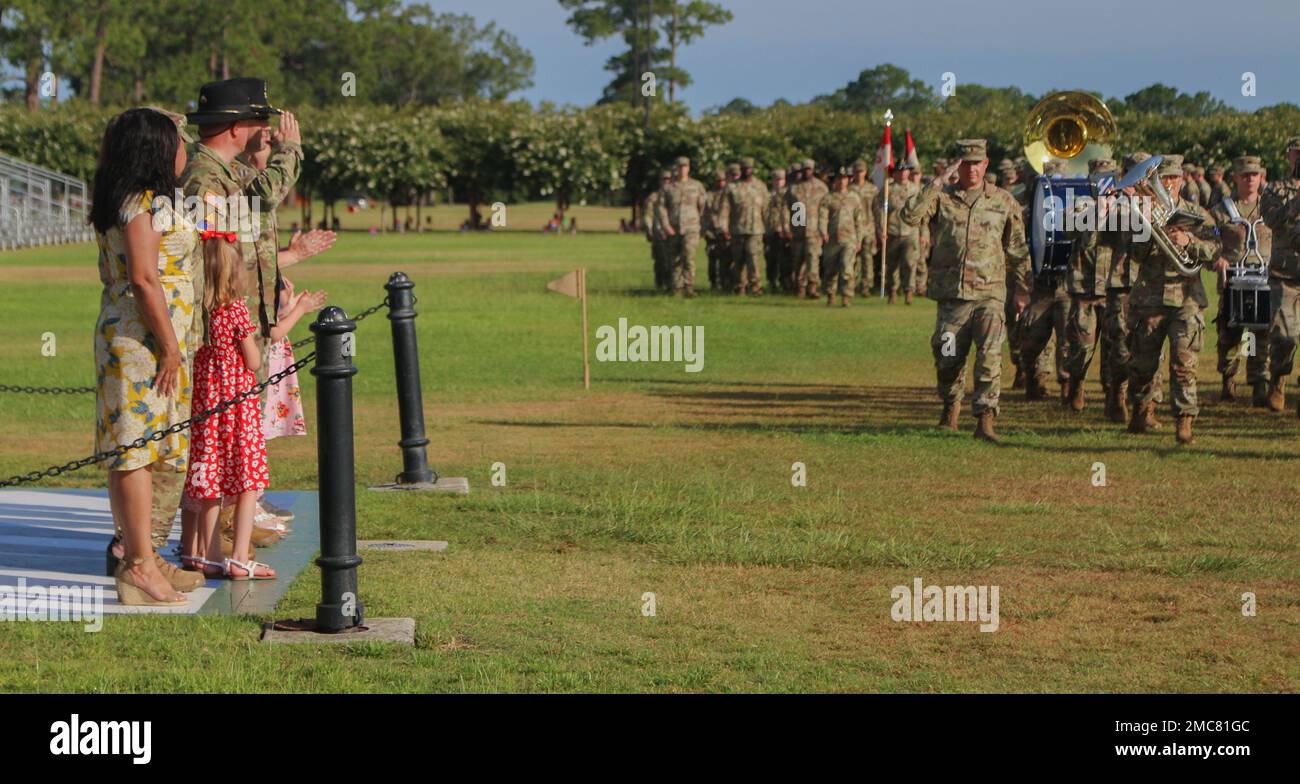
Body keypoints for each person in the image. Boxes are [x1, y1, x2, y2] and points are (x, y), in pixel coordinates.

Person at [177, 78, 299, 560]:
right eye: (258, 120)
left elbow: (255, 222)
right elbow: (259, 205)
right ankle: (210, 543)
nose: (264, 129)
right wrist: (291, 153)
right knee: (219, 440)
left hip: (239, 317)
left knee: (231, 439)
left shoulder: (223, 170)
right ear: (234, 126)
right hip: (222, 333)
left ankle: (223, 533)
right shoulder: (205, 178)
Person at [92, 108, 202, 606]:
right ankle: (138, 565)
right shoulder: (142, 202)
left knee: (144, 451)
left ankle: (145, 554)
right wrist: (172, 347)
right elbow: (143, 277)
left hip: (150, 341)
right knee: (135, 453)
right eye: (178, 140)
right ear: (157, 149)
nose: (186, 149)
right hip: (143, 345)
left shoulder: (144, 198)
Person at [900, 139, 1030, 442]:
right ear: (958, 165)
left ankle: (985, 421)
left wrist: (1023, 289)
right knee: (947, 357)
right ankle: (950, 405)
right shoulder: (942, 198)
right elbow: (910, 216)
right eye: (966, 163)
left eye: (977, 163)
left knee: (989, 355)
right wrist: (938, 182)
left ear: (986, 165)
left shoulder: (1003, 201)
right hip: (952, 296)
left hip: (990, 293)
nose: (972, 169)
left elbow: (1018, 250)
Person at [234, 136, 336, 526]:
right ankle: (241, 511)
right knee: (245, 430)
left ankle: (250, 504)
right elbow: (235, 266)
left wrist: (289, 261)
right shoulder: (237, 189)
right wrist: (294, 257)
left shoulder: (250, 193)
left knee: (252, 430)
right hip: (250, 331)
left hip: (262, 322)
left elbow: (254, 263)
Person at [183, 235, 275, 580]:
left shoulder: (199, 313)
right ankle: (238, 557)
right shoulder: (236, 310)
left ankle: (206, 554)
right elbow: (252, 361)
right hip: (238, 408)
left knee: (210, 482)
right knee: (246, 482)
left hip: (207, 408)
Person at [1124, 154, 1221, 445]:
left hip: (1187, 298)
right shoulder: (1143, 210)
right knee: (1143, 364)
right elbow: (1135, 254)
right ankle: (1141, 410)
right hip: (1150, 299)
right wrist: (1145, 229)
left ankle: (1184, 421)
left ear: (1181, 179)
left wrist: (1189, 242)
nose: (1168, 184)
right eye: (1162, 179)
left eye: (1172, 178)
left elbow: (1216, 249)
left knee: (1184, 363)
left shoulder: (1197, 213)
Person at [1062, 157, 1125, 412]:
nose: (1104, 182)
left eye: (1110, 177)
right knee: (1081, 347)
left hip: (1115, 287)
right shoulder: (1079, 205)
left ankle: (1116, 397)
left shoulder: (1126, 205)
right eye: (1100, 177)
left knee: (1117, 349)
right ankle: (1077, 383)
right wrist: (1098, 212)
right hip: (1085, 288)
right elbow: (1078, 236)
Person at [1209, 155, 1272, 405]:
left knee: (1260, 335)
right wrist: (1217, 257)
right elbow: (1208, 240)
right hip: (1232, 280)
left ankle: (1259, 383)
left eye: (1254, 174)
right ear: (1234, 177)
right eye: (1244, 175)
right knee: (1230, 334)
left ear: (1261, 177)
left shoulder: (1271, 208)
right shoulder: (1221, 210)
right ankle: (1229, 380)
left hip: (1264, 280)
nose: (1249, 179)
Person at [1260, 135, 1300, 413]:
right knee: (1285, 336)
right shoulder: (1276, 188)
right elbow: (1271, 220)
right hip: (1285, 275)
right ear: (1289, 156)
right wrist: (1293, 205)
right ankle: (1278, 379)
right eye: (1297, 153)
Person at [718, 157, 768, 296]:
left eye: (750, 168)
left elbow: (766, 209)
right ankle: (740, 286)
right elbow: (724, 209)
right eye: (745, 169)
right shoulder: (731, 188)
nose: (748, 171)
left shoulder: (760, 186)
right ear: (741, 169)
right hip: (737, 229)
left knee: (753, 257)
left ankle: (755, 286)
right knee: (738, 259)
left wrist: (768, 228)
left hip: (755, 229)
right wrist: (723, 228)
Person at [658, 155, 707, 298]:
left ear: (689, 168)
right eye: (679, 167)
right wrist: (666, 226)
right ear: (676, 168)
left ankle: (689, 286)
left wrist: (701, 225)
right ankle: (676, 287)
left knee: (689, 257)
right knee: (674, 259)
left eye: (685, 166)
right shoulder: (668, 188)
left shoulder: (697, 186)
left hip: (691, 229)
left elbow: (703, 208)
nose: (682, 169)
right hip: (673, 228)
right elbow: (661, 208)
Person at [819, 166, 868, 307]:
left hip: (850, 239)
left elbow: (859, 220)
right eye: (839, 179)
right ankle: (831, 295)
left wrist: (859, 239)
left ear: (849, 180)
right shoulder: (828, 198)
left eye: (845, 178)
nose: (842, 181)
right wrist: (823, 231)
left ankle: (846, 296)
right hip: (833, 239)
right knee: (831, 270)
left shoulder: (854, 198)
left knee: (847, 267)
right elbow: (822, 217)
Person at [787, 159, 828, 299]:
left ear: (813, 170)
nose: (807, 172)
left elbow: (826, 210)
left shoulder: (821, 187)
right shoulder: (794, 188)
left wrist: (824, 230)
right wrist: (788, 228)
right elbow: (787, 210)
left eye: (809, 169)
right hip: (798, 230)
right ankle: (799, 287)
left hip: (814, 230)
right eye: (804, 169)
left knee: (813, 259)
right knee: (797, 260)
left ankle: (812, 286)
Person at [882, 163, 921, 304]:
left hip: (910, 232)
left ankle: (909, 292)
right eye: (900, 171)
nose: (903, 173)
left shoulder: (915, 189)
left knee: (910, 263)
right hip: (892, 231)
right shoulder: (888, 189)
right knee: (891, 265)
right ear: (896, 173)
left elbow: (922, 213)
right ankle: (892, 291)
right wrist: (882, 229)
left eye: (905, 170)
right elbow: (880, 210)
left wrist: (924, 234)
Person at [848, 159, 880, 297]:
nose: (859, 174)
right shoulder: (848, 189)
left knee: (867, 259)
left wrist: (880, 229)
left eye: (861, 171)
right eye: (856, 172)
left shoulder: (872, 189)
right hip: (851, 229)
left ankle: (866, 286)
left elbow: (877, 210)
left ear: (865, 172)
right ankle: (850, 285)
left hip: (868, 228)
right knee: (850, 258)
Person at [764, 168, 792, 293]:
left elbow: (797, 213)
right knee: (771, 259)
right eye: (776, 180)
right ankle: (772, 283)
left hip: (786, 233)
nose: (778, 183)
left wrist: (793, 230)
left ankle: (786, 283)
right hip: (770, 232)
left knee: (786, 260)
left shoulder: (790, 195)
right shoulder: (766, 195)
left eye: (781, 180)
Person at [702, 169, 729, 291]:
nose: (721, 183)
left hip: (727, 232)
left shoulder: (728, 194)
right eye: (719, 180)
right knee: (713, 260)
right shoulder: (708, 196)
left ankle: (726, 282)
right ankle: (713, 282)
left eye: (723, 180)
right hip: (712, 233)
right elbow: (706, 214)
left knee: (726, 259)